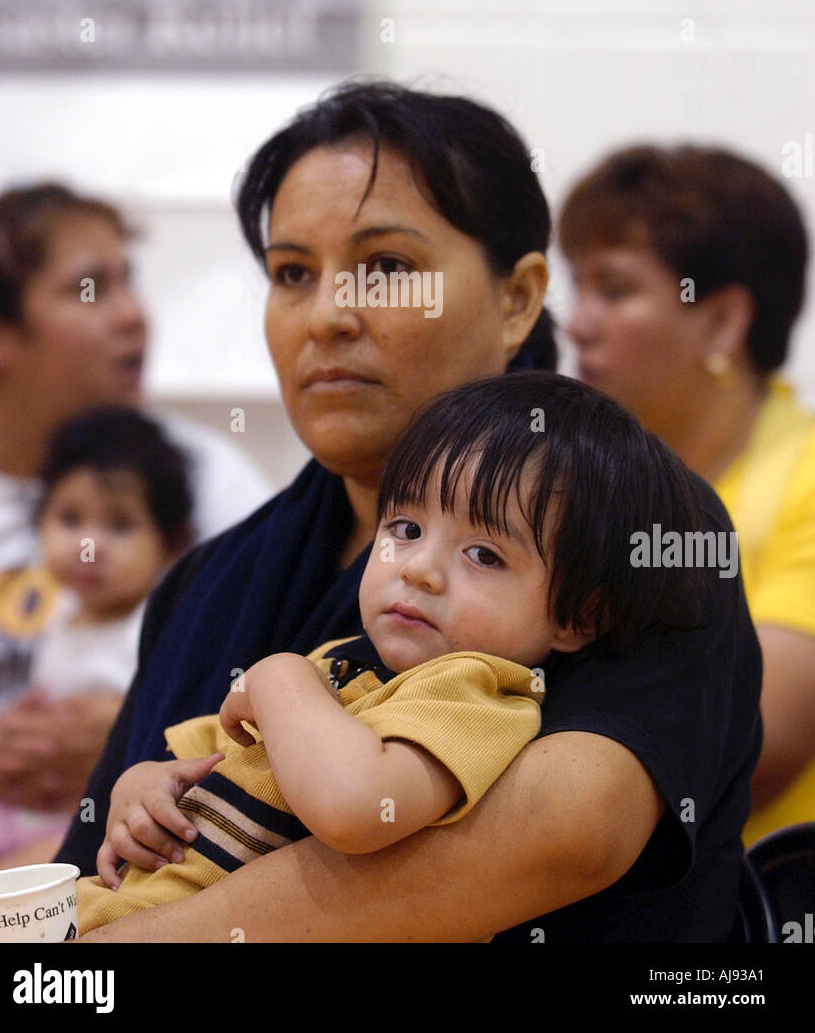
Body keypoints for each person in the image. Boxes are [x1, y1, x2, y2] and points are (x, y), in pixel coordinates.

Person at [64, 81, 757, 943]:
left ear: (517, 297)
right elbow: (99, 849)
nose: (327, 316)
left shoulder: (642, 525)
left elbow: (568, 835)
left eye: (387, 268)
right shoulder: (213, 579)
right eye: (291, 274)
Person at [74, 372, 737, 938]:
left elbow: (355, 807)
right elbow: (202, 758)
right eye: (406, 529)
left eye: (484, 555)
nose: (419, 569)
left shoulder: (477, 694)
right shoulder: (343, 661)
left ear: (576, 618)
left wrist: (279, 679)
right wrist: (144, 795)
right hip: (117, 904)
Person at [0, 184, 271, 821]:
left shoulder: (202, 479)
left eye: (129, 282)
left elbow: (286, 676)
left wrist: (140, 735)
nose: (135, 315)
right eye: (91, 289)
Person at [559, 143, 815, 844]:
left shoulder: (807, 478)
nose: (576, 323)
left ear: (725, 320)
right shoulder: (577, 482)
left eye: (613, 290)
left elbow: (762, 738)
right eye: (576, 287)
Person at [0, 407, 193, 877]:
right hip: (18, 808)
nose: (90, 546)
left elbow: (175, 720)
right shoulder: (63, 614)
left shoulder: (157, 624)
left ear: (173, 543)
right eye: (69, 519)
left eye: (120, 525)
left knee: (1, 890)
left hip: (85, 824)